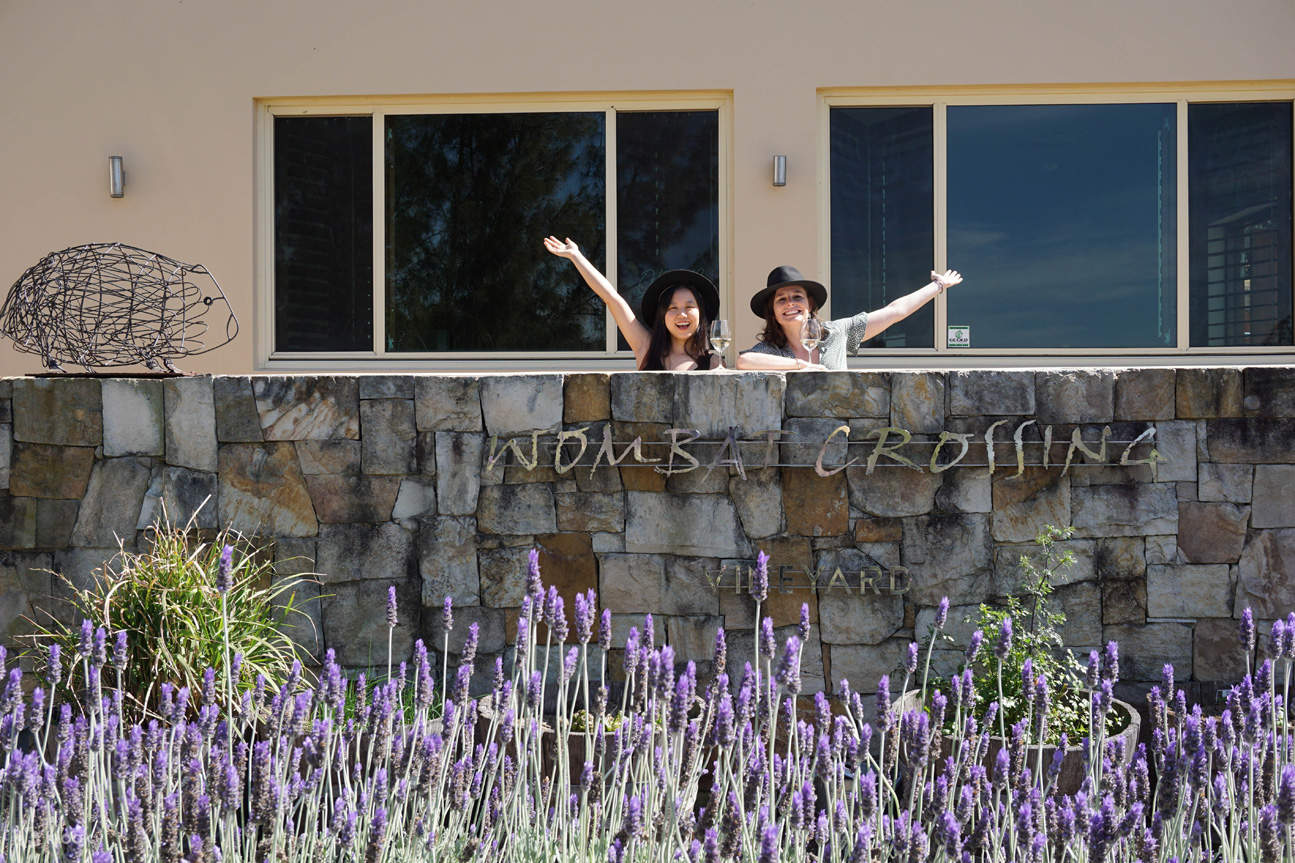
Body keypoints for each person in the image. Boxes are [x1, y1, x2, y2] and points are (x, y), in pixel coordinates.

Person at [736, 265, 963, 370]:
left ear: (810, 305)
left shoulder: (837, 333)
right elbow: (744, 361)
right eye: (781, 300)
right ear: (773, 311)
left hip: (841, 433)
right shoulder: (770, 349)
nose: (790, 304)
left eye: (797, 297)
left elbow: (896, 311)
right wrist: (801, 365)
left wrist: (938, 285)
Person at [544, 236, 722, 370]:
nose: (681, 315)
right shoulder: (646, 348)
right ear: (662, 315)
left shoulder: (713, 362)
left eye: (689, 307)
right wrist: (576, 257)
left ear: (701, 313)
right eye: (672, 308)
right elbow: (612, 298)